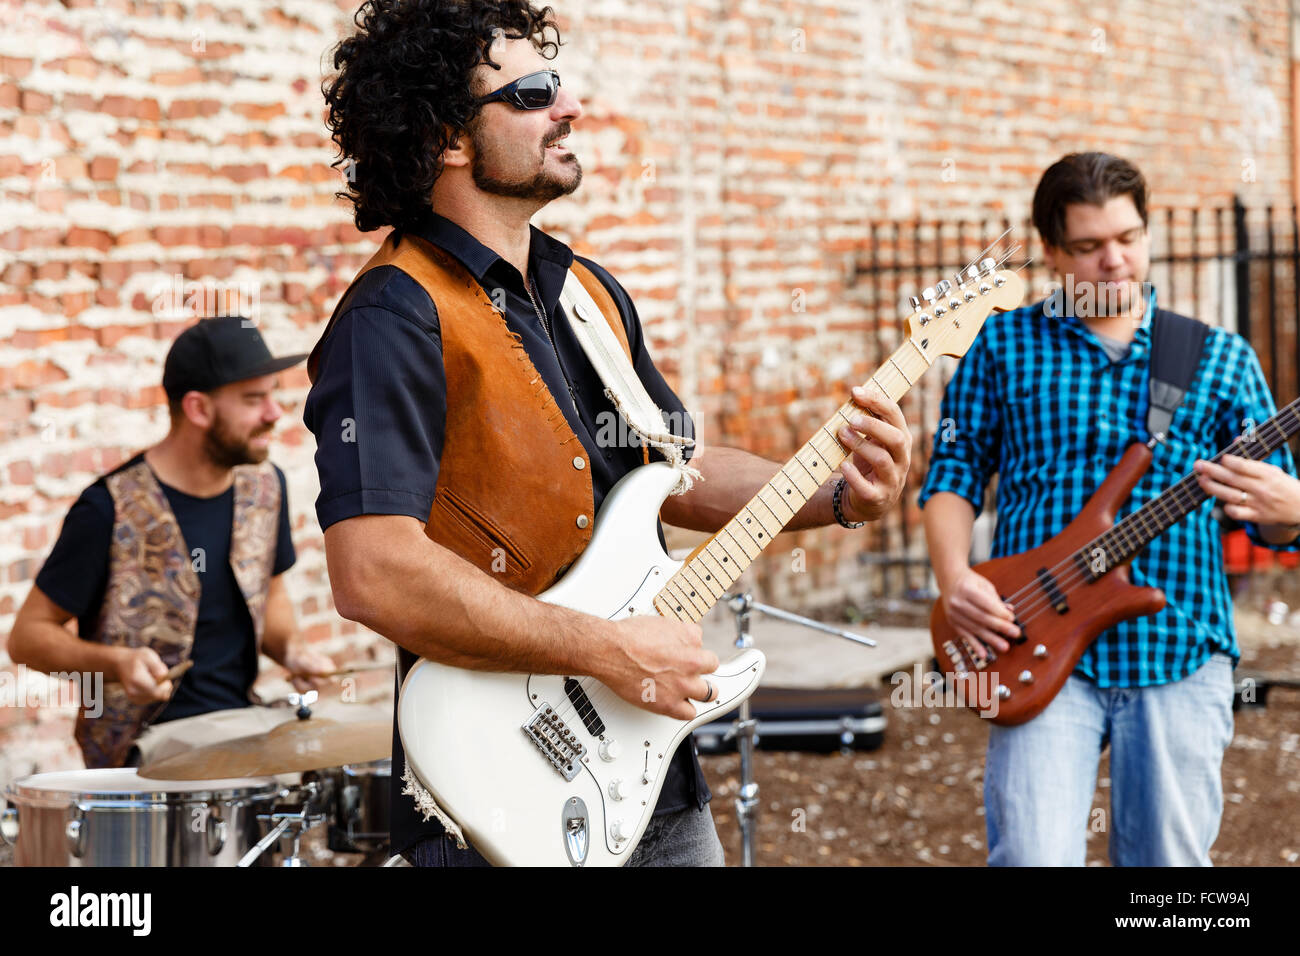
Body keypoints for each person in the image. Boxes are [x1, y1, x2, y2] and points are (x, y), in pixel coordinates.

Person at [307, 0, 913, 867]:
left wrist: (841, 493)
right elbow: (373, 571)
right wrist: (609, 650)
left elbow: (678, 471)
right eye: (534, 92)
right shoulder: (394, 316)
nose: (570, 107)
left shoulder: (583, 290)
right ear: (448, 137)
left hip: (650, 769)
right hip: (494, 799)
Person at [920, 152, 1300, 866]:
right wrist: (954, 578)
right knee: (1032, 856)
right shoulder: (1001, 347)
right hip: (1030, 640)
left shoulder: (1218, 358)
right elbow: (953, 475)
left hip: (1177, 644)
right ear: (1051, 253)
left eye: (1128, 239)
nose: (1114, 262)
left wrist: (1292, 507)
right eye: (1090, 247)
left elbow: (1271, 518)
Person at [8, 316, 335, 769]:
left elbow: (271, 595)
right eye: (254, 399)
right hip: (140, 763)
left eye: (273, 394)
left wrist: (292, 649)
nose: (274, 413)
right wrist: (117, 663)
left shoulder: (267, 488)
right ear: (199, 409)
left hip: (242, 736)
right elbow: (27, 638)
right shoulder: (107, 508)